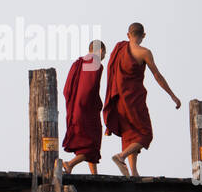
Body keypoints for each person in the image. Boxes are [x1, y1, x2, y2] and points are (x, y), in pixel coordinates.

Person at [102, 22, 180, 176]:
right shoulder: (144, 52)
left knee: (130, 134)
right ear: (144, 35)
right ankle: (121, 156)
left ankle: (134, 172)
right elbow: (157, 76)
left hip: (120, 100)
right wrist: (172, 95)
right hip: (135, 100)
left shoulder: (119, 48)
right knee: (145, 134)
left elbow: (111, 76)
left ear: (128, 35)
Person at [61, 39, 106, 174]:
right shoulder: (95, 61)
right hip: (86, 109)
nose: (104, 57)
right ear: (101, 51)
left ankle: (94, 173)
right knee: (92, 144)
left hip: (75, 108)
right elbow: (88, 87)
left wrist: (73, 106)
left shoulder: (78, 63)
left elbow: (67, 89)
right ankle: (70, 164)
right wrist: (93, 104)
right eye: (104, 54)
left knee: (88, 141)